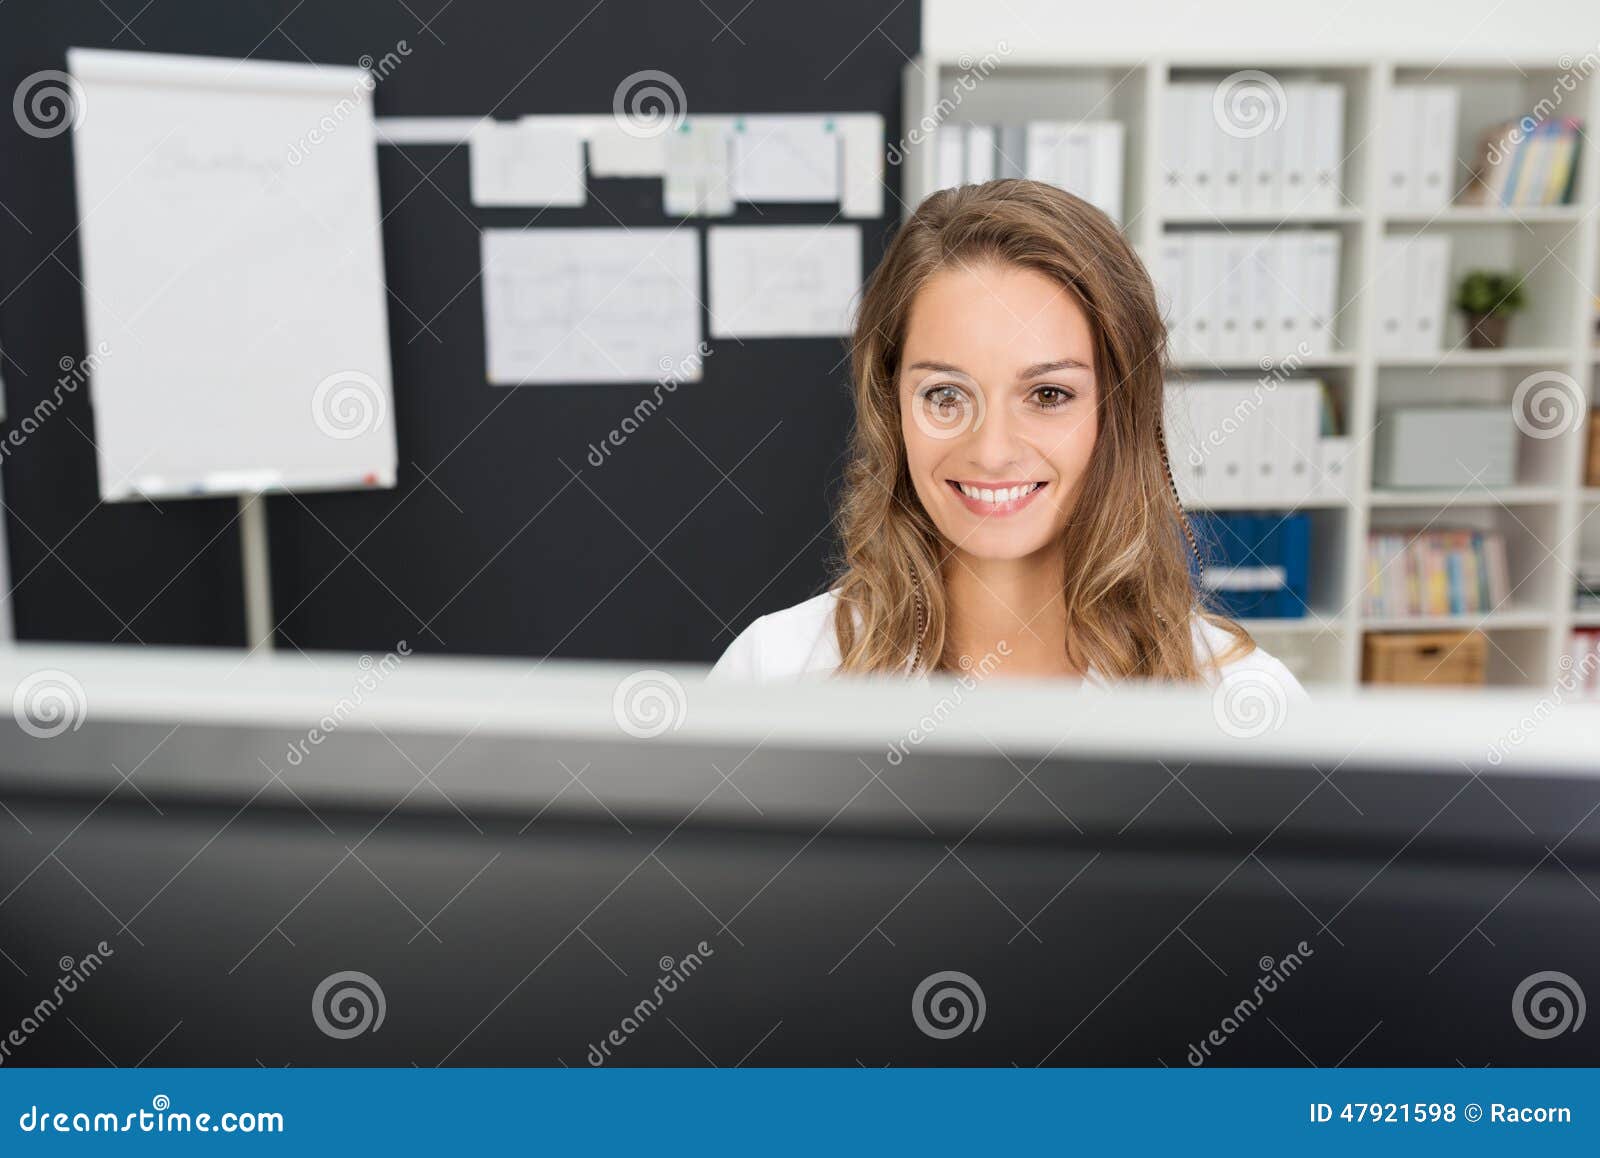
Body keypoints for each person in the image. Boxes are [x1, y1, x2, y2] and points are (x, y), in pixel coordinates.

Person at [710, 178, 1308, 703]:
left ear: (1119, 410)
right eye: (946, 395)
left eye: (1048, 395)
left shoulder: (1243, 697)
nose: (992, 451)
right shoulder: (773, 672)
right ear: (892, 408)